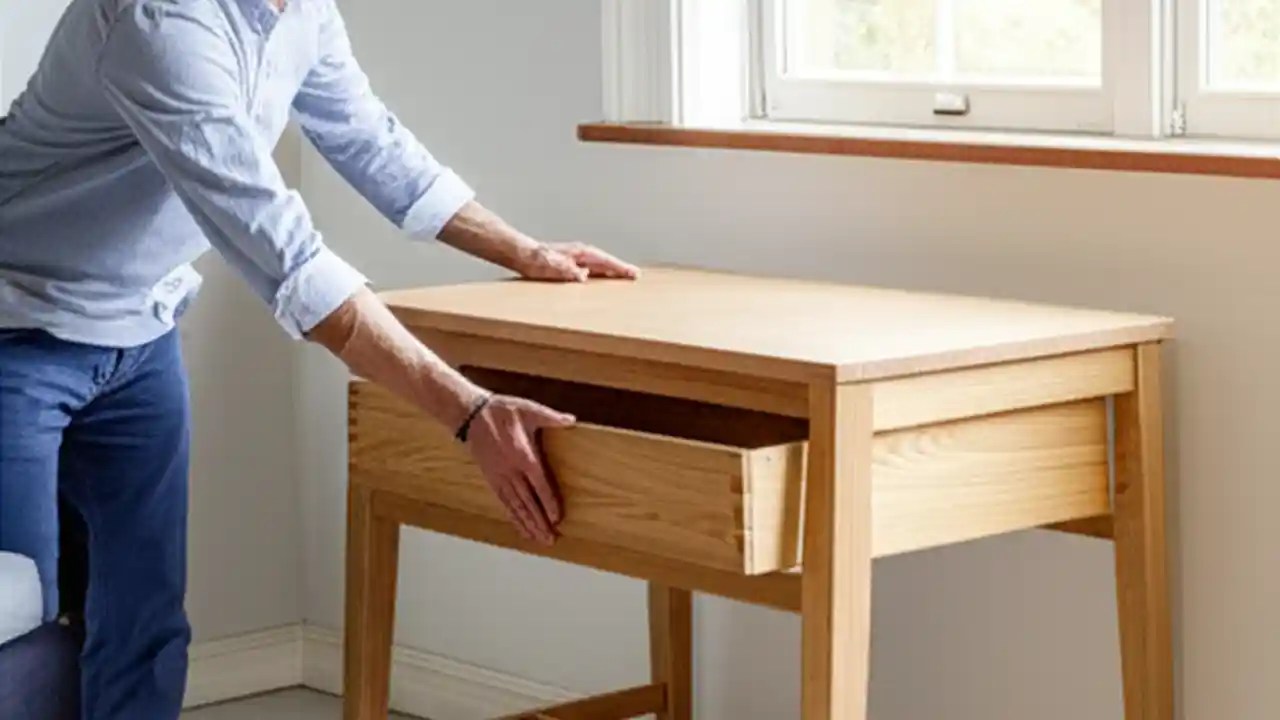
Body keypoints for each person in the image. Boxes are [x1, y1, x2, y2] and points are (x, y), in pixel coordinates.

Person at [0, 0, 637, 717]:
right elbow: (285, 254)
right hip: (14, 327)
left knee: (145, 619)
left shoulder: (300, 12)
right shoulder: (159, 22)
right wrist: (470, 411)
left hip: (138, 333)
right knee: (17, 624)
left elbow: (372, 142)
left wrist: (524, 250)